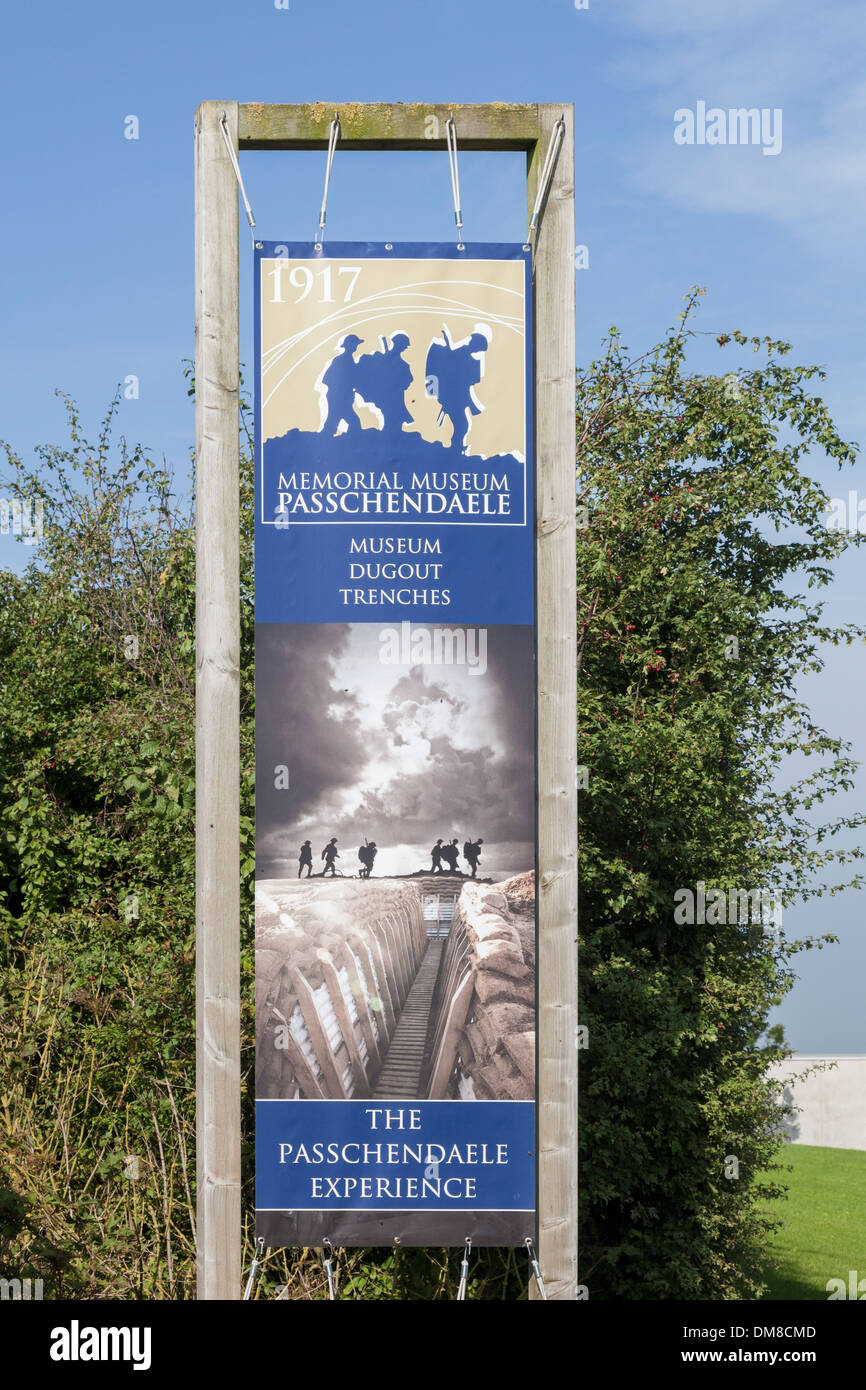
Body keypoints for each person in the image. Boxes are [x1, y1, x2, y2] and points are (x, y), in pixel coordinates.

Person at [321, 334, 364, 436]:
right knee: (353, 422)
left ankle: (325, 438)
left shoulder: (349, 360)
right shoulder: (341, 360)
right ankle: (326, 439)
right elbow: (326, 379)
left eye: (356, 345)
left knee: (334, 420)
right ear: (349, 345)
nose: (355, 347)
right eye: (354, 344)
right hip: (338, 396)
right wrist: (341, 388)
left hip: (342, 396)